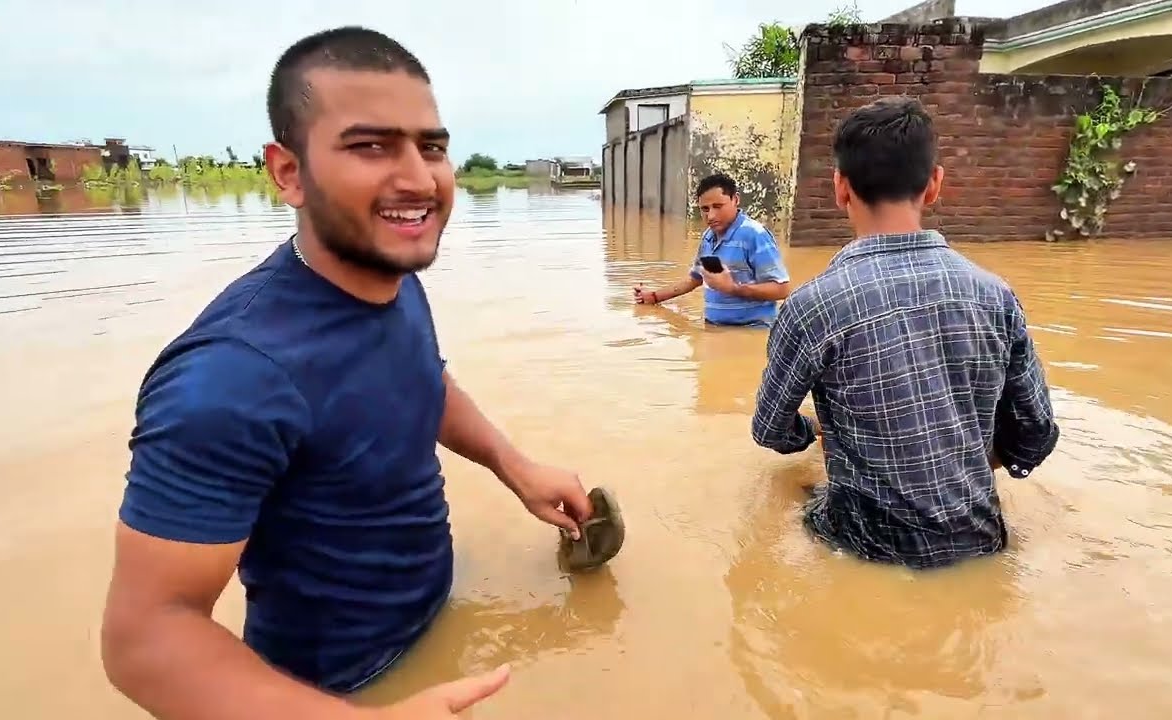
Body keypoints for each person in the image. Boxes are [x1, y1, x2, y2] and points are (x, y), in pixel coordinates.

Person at [99, 26, 593, 720]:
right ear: (288, 171)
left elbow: (424, 378)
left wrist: (516, 468)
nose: (420, 179)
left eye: (432, 146)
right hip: (336, 691)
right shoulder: (230, 378)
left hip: (435, 624)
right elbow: (146, 641)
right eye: (371, 146)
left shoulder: (390, 273)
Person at [749, 96, 1060, 569]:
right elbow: (1036, 432)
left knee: (786, 496)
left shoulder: (811, 307)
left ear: (840, 188)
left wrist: (812, 430)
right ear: (934, 185)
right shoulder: (996, 295)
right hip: (980, 538)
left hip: (864, 547)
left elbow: (770, 429)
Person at [632, 173, 791, 326]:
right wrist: (654, 296)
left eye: (718, 206)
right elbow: (695, 279)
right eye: (705, 209)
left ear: (735, 200)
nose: (711, 216)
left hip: (750, 331)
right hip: (714, 329)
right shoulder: (708, 237)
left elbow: (782, 289)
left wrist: (733, 289)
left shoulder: (754, 235)